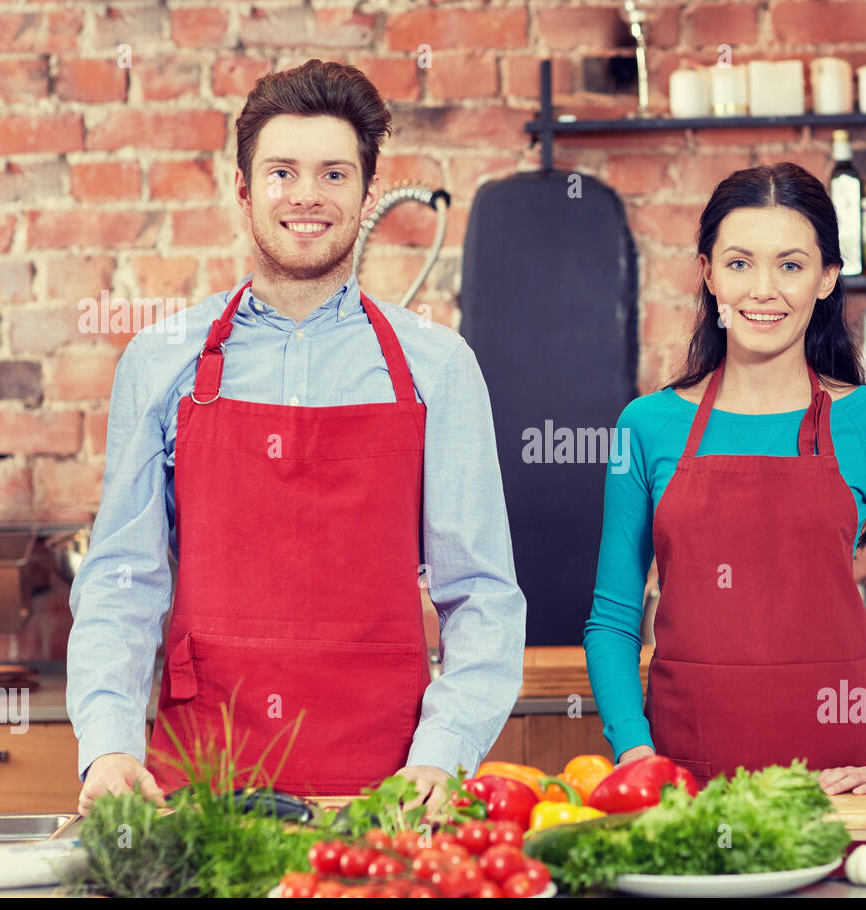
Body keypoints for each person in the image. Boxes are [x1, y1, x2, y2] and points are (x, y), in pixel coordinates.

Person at [67, 59, 524, 817]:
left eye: (334, 174)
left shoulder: (437, 367)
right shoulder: (162, 361)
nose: (307, 196)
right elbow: (122, 582)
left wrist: (441, 760)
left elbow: (481, 597)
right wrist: (109, 743)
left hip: (385, 790)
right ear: (243, 191)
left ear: (368, 195)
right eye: (281, 172)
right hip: (200, 791)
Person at [584, 162, 866, 800]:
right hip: (690, 789)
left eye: (790, 265)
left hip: (843, 792)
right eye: (740, 263)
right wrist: (637, 756)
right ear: (708, 273)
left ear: (826, 279)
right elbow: (612, 621)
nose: (763, 290)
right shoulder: (647, 427)